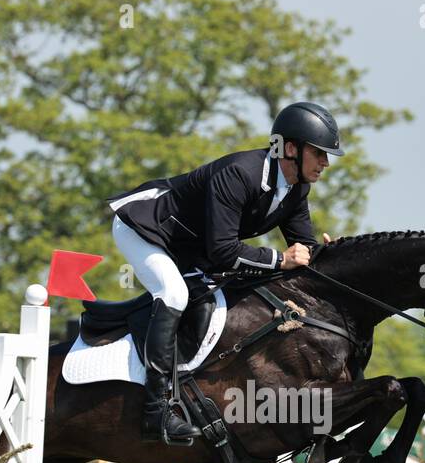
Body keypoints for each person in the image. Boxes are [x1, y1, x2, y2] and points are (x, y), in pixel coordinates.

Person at [107, 101, 343, 444]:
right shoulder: (240, 174)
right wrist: (279, 259)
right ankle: (155, 411)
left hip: (191, 246)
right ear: (290, 149)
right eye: (319, 153)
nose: (325, 163)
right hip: (146, 228)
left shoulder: (295, 189)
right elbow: (223, 252)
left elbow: (302, 250)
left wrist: (328, 253)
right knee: (173, 294)